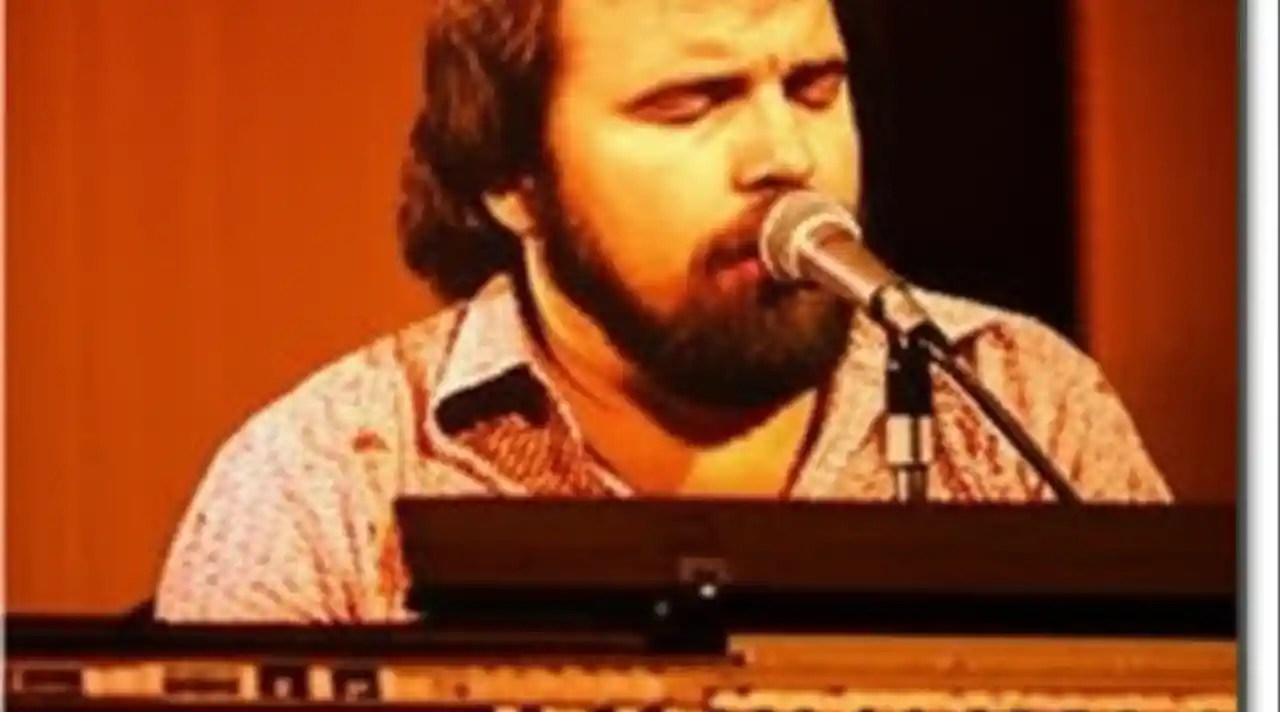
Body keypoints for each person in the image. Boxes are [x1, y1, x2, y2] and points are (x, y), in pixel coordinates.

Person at [155, 0, 1170, 624]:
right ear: (513, 178)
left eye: (813, 87)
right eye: (690, 105)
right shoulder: (325, 479)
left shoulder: (1023, 397)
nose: (785, 157)